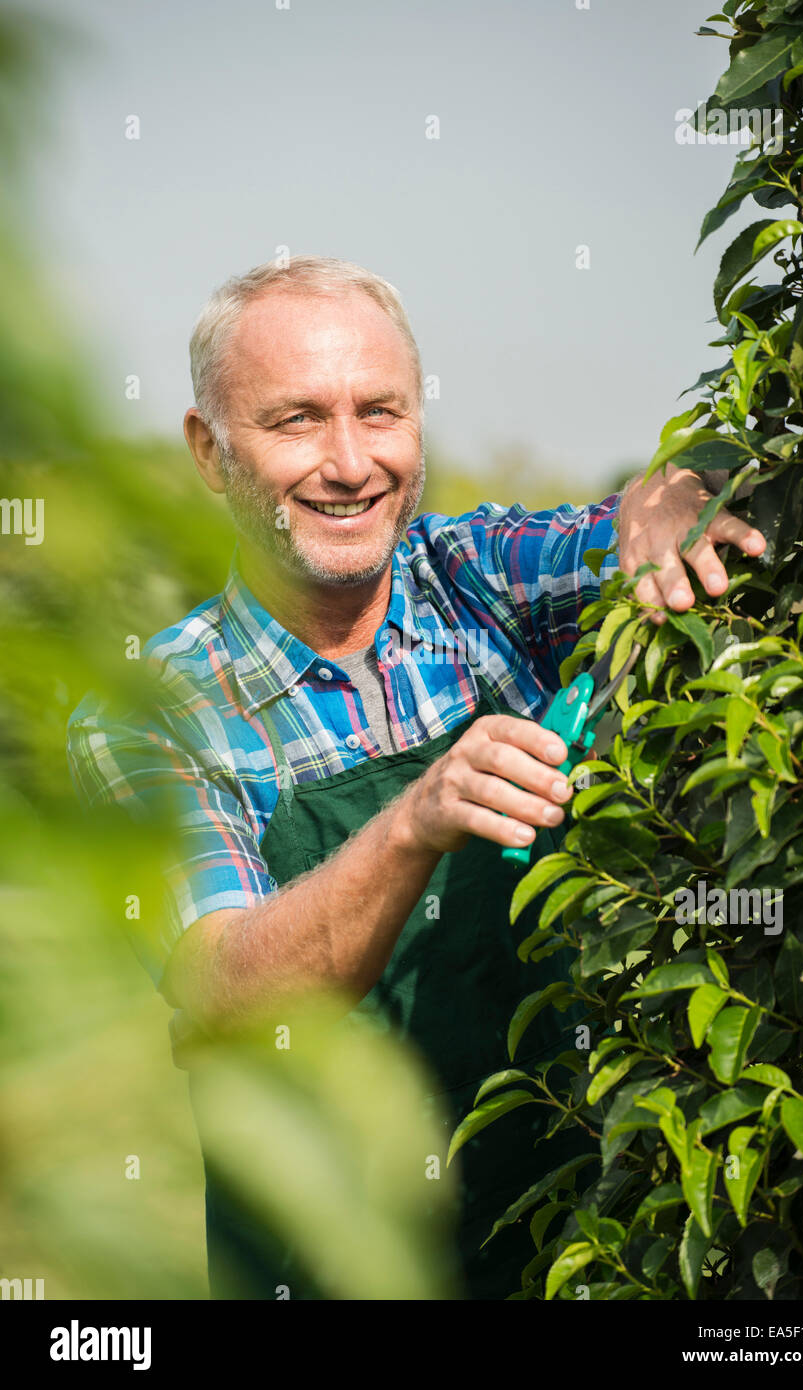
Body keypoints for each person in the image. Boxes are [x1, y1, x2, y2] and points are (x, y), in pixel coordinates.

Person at [67, 256, 766, 1300]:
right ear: (211, 453)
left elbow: (678, 507)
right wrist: (417, 819)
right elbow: (229, 993)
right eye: (296, 420)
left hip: (565, 1248)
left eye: (380, 412)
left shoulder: (476, 577)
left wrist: (677, 494)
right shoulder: (147, 712)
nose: (351, 462)